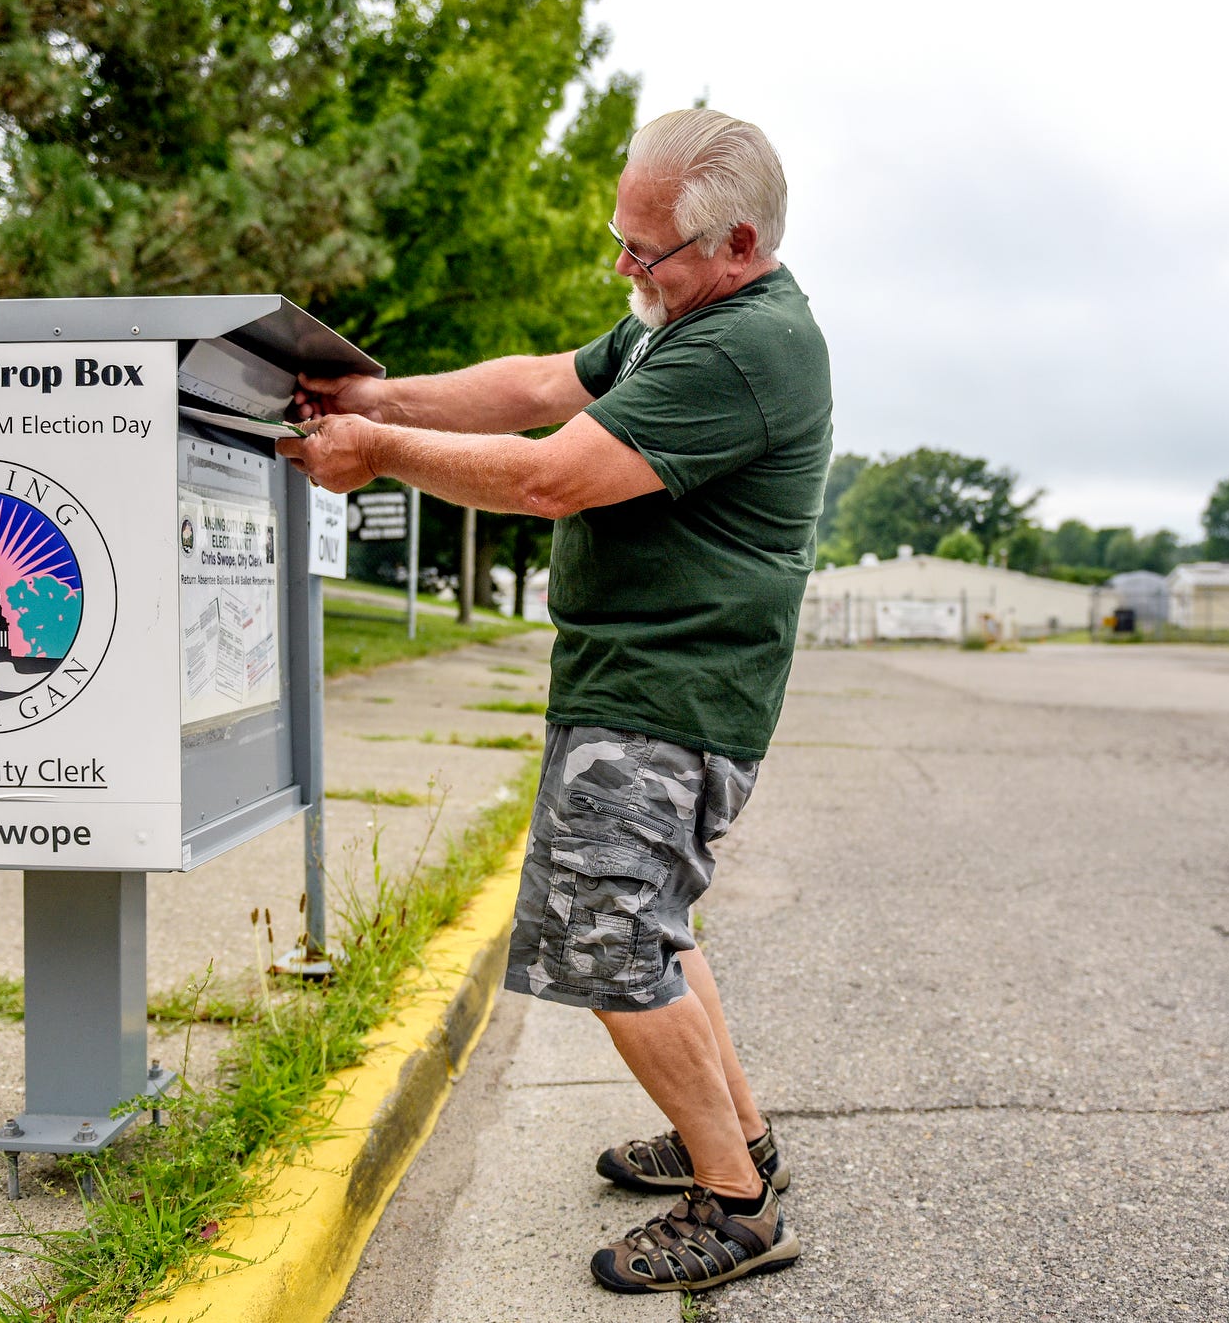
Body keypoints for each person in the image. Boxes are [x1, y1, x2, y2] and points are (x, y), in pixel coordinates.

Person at [278, 108, 830, 1295]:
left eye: (646, 253)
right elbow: (533, 385)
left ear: (734, 242)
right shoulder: (678, 319)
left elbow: (550, 475)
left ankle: (735, 1206)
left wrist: (373, 451)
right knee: (654, 927)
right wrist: (377, 395)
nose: (622, 271)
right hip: (647, 687)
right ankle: (733, 1135)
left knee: (610, 940)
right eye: (620, 242)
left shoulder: (740, 345)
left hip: (667, 695)